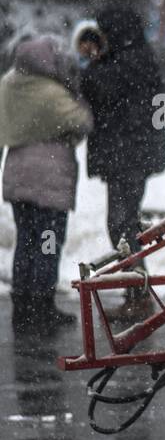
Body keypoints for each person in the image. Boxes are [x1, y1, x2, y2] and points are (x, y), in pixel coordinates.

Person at [0, 36, 94, 334]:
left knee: (26, 241)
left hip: (17, 173)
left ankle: (22, 306)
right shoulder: (51, 92)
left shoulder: (8, 84)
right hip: (49, 179)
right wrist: (78, 96)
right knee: (48, 242)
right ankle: (42, 306)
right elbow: (82, 121)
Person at [79, 6, 165, 320]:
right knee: (124, 224)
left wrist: (91, 61)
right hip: (131, 155)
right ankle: (136, 291)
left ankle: (139, 294)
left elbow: (96, 85)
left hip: (128, 156)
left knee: (122, 225)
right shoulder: (135, 56)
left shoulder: (127, 61)